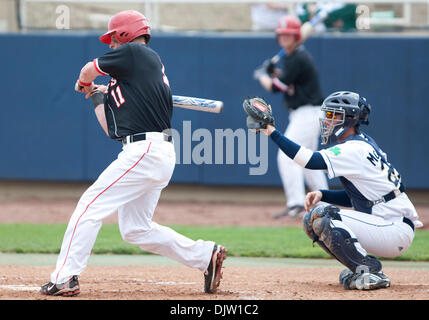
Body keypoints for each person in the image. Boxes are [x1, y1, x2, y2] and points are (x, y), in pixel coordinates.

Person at [40, 10, 226, 297]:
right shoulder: (129, 80)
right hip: (150, 151)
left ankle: (65, 278)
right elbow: (110, 130)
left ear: (126, 34)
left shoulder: (135, 53)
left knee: (89, 206)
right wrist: (97, 97)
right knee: (136, 229)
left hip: (146, 151)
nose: (111, 45)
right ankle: (205, 256)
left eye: (113, 38)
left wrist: (85, 84)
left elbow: (87, 71)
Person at [252, 91, 423, 290]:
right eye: (327, 115)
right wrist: (324, 195)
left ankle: (370, 271)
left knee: (322, 216)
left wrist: (271, 131)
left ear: (350, 119)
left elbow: (309, 160)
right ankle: (359, 268)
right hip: (387, 223)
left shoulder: (353, 148)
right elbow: (361, 198)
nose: (327, 120)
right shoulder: (362, 143)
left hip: (393, 229)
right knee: (311, 220)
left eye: (333, 115)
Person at [253, 15, 328, 219]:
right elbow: (285, 79)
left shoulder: (298, 57)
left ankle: (295, 203)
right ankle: (328, 203)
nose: (285, 38)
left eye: (289, 34)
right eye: (282, 34)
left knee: (288, 156)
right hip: (308, 113)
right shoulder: (293, 57)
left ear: (296, 36)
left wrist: (263, 75)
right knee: (309, 160)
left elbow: (276, 87)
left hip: (307, 113)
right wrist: (273, 71)